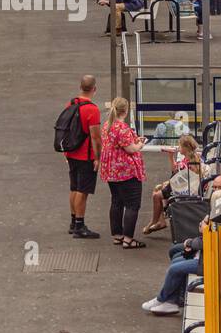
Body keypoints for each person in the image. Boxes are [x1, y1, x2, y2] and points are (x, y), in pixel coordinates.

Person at [98, 96, 147, 248]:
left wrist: (134, 140)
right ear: (125, 111)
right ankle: (128, 239)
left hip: (111, 171)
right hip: (126, 171)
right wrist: (140, 144)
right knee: (132, 204)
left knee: (116, 201)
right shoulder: (122, 128)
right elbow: (130, 149)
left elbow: (117, 143)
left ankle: (117, 235)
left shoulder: (107, 125)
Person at [60, 74, 101, 238]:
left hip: (71, 152)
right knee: (82, 191)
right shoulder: (92, 109)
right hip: (86, 156)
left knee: (74, 187)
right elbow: (95, 137)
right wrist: (98, 157)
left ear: (80, 87)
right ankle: (79, 225)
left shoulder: (71, 103)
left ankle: (72, 221)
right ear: (94, 89)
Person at [142, 134, 204, 234]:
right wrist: (171, 157)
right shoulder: (186, 158)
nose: (178, 148)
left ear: (185, 147)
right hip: (180, 185)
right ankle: (161, 221)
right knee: (157, 188)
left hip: (185, 188)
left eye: (179, 146)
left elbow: (193, 177)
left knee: (156, 196)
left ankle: (153, 221)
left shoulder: (193, 160)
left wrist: (173, 181)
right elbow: (175, 170)